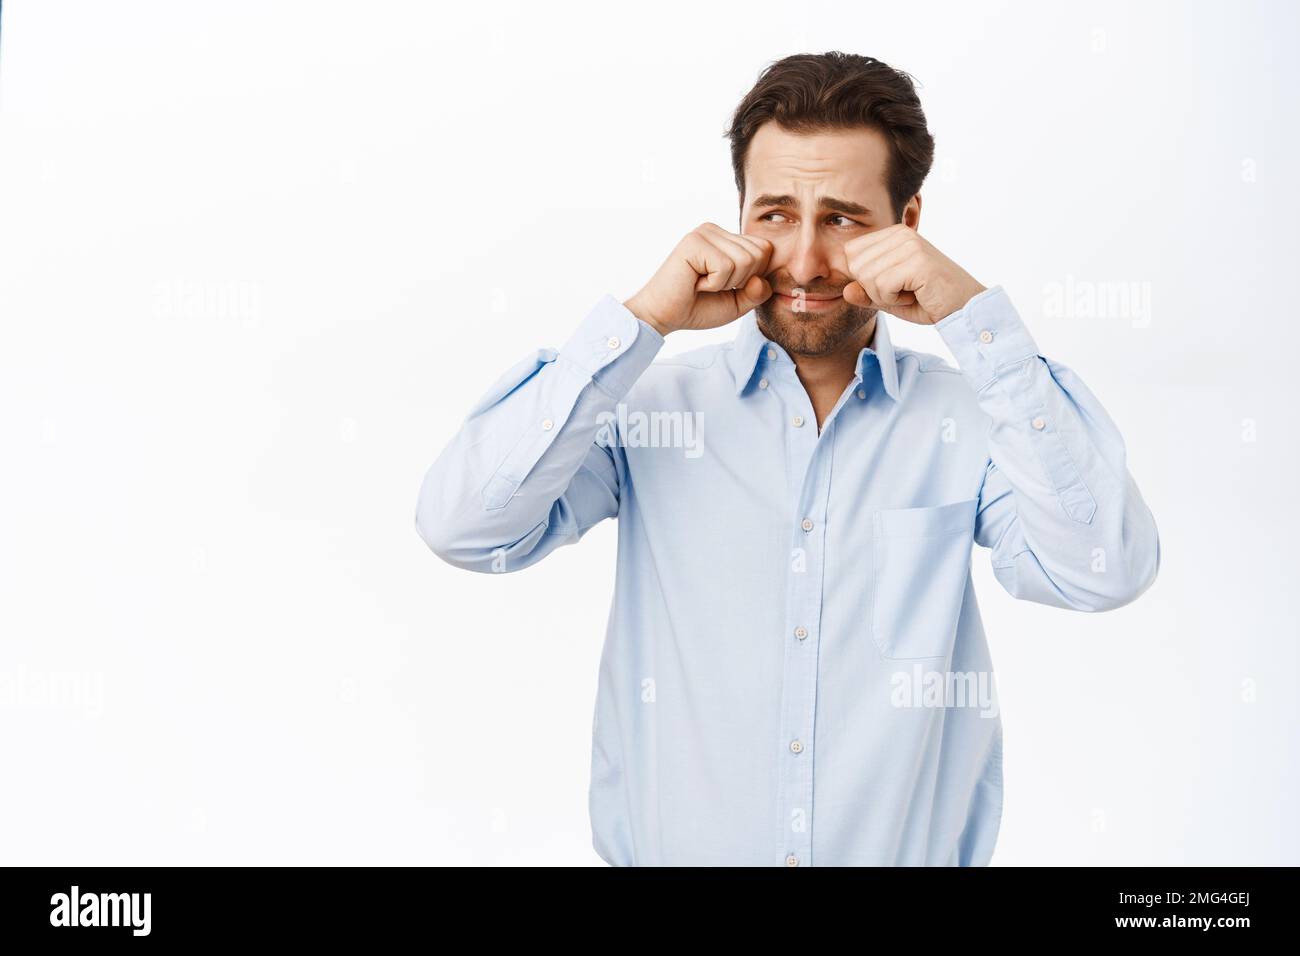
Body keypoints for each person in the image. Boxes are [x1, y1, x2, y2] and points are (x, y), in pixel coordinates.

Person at [414, 51, 1160, 866]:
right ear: (738, 215)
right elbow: (464, 527)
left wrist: (975, 319)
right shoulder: (648, 408)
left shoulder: (973, 420)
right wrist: (639, 324)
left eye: (841, 219)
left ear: (907, 227)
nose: (803, 262)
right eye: (774, 215)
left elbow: (1103, 569)